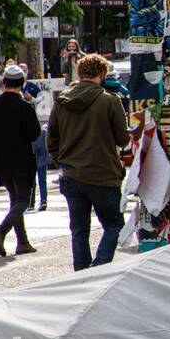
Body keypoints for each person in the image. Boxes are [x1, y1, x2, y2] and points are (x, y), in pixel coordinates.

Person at [46, 53, 129, 271]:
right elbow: (123, 139)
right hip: (103, 173)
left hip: (71, 175)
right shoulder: (110, 100)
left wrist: (62, 161)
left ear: (79, 73)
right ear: (102, 74)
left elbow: (51, 139)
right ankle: (100, 266)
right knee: (114, 223)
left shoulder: (62, 101)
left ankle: (81, 274)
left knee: (79, 229)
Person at [0, 65, 42, 257]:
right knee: (23, 199)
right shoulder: (24, 107)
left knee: (14, 199)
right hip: (21, 160)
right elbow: (34, 133)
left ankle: (22, 242)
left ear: (4, 83)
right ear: (22, 84)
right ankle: (1, 231)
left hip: (0, 161)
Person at [31, 122, 50, 211]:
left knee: (32, 183)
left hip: (33, 161)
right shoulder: (44, 133)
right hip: (42, 161)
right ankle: (43, 200)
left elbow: (34, 149)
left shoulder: (31, 134)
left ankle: (31, 202)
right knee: (42, 182)